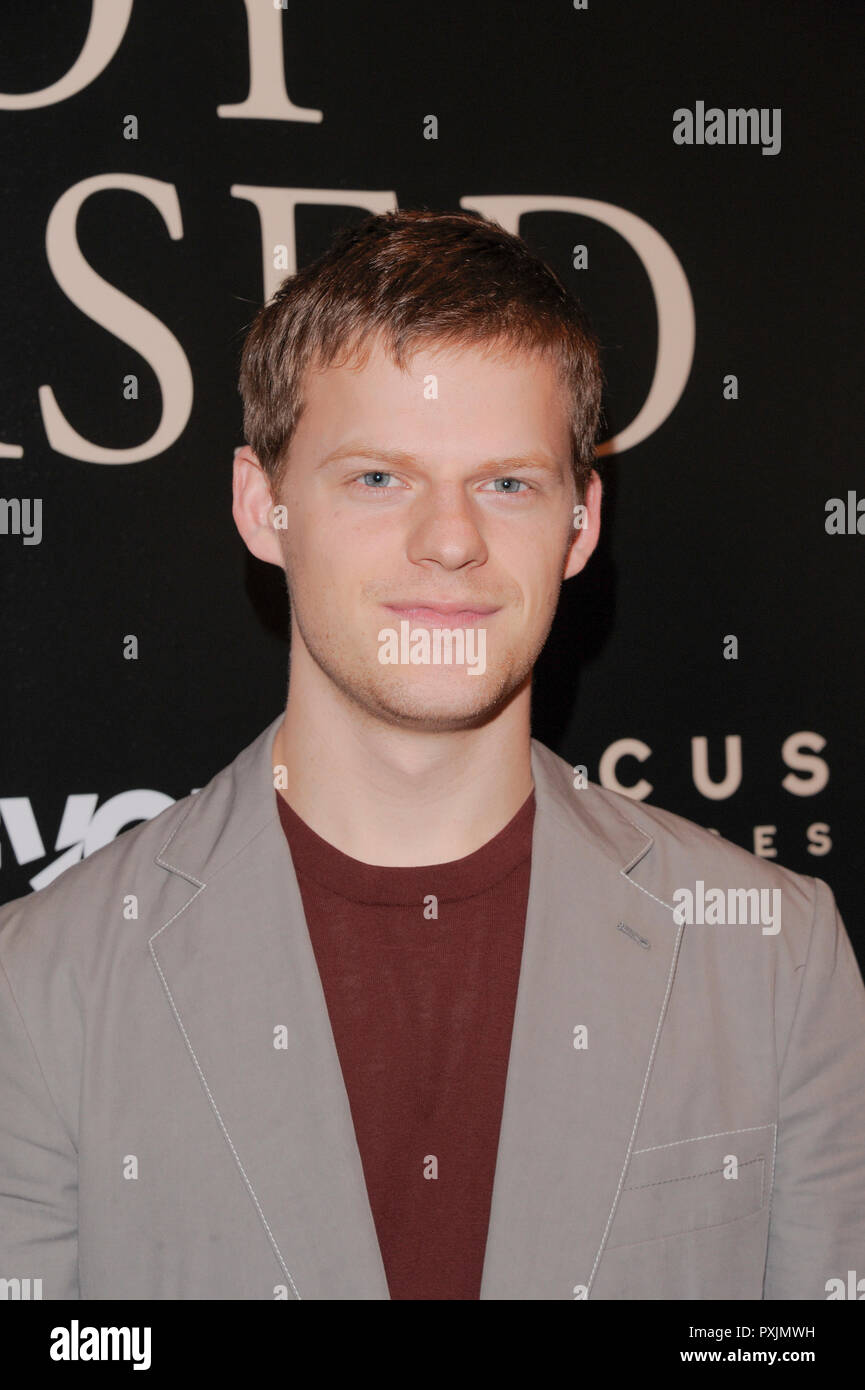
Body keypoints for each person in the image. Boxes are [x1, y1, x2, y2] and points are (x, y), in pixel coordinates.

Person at [1, 209, 863, 1301]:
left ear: (581, 524)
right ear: (261, 508)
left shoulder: (776, 964)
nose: (449, 539)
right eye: (377, 479)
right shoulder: (40, 990)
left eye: (507, 482)